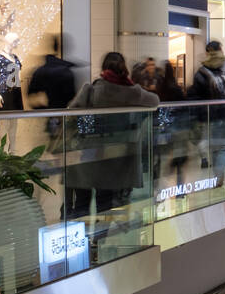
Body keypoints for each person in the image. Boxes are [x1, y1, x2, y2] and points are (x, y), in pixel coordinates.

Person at [66, 51, 162, 219]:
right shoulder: (133, 91)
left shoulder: (91, 89)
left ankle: (84, 240)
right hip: (119, 156)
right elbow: (155, 101)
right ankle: (100, 240)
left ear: (103, 68)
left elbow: (70, 112)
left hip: (90, 153)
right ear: (123, 68)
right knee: (106, 204)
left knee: (82, 203)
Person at [188, 41, 225, 184]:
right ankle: (218, 175)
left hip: (212, 117)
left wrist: (201, 116)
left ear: (207, 53)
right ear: (221, 50)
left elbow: (195, 97)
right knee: (224, 147)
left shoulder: (201, 72)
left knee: (215, 147)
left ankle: (217, 175)